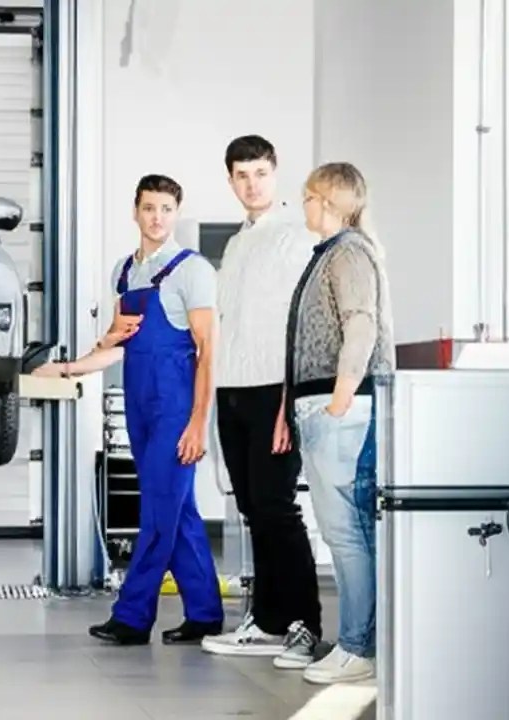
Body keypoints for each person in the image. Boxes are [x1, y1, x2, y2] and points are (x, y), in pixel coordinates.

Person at [33, 173, 224, 645]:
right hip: (139, 404)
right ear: (135, 212)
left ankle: (133, 616)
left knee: (158, 511)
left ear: (176, 213)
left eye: (166, 209)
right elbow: (118, 345)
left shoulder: (192, 270)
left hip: (176, 406)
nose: (157, 218)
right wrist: (67, 368)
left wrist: (198, 422)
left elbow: (208, 351)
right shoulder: (124, 271)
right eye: (149, 208)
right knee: (178, 510)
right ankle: (205, 613)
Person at [199, 135, 324, 668]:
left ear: (275, 174)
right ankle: (269, 622)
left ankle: (303, 625)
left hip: (275, 391)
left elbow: (301, 323)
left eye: (260, 174)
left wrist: (288, 403)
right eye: (242, 176)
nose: (252, 184)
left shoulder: (296, 236)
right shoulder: (236, 244)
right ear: (231, 180)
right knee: (252, 508)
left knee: (276, 507)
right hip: (233, 389)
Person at [284, 161, 395, 684]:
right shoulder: (332, 252)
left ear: (326, 201)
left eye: (307, 197)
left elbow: (361, 324)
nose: (303, 206)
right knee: (345, 533)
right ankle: (359, 643)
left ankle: (359, 648)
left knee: (349, 535)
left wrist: (341, 397)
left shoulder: (349, 252)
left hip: (342, 409)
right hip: (326, 406)